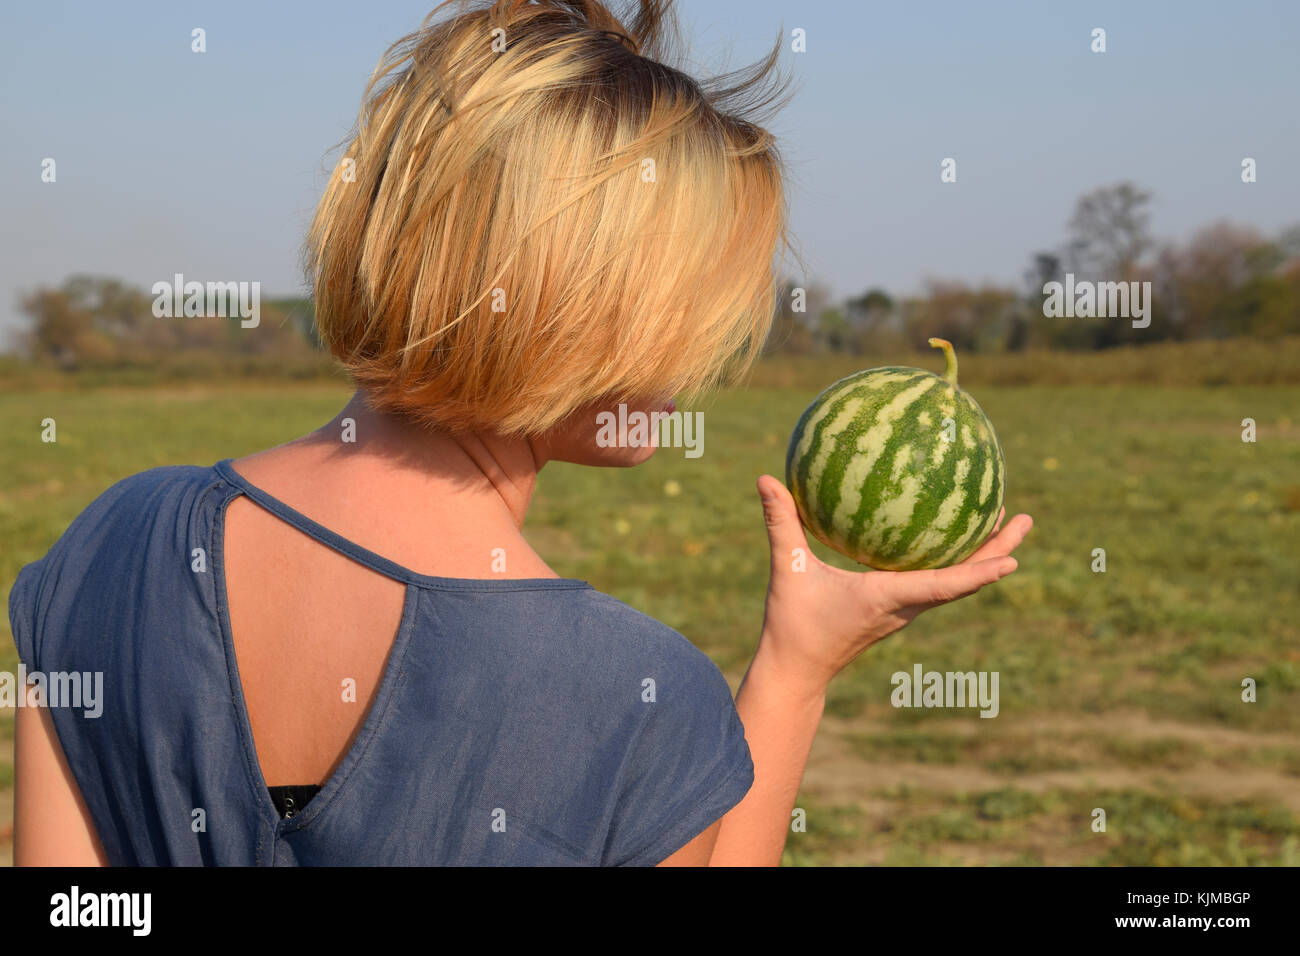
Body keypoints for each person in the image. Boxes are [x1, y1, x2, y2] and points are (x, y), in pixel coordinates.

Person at [10, 0, 1030, 866]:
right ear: (584, 306)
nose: (714, 351)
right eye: (697, 303)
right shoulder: (627, 696)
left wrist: (795, 655)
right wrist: (797, 670)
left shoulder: (113, 546)